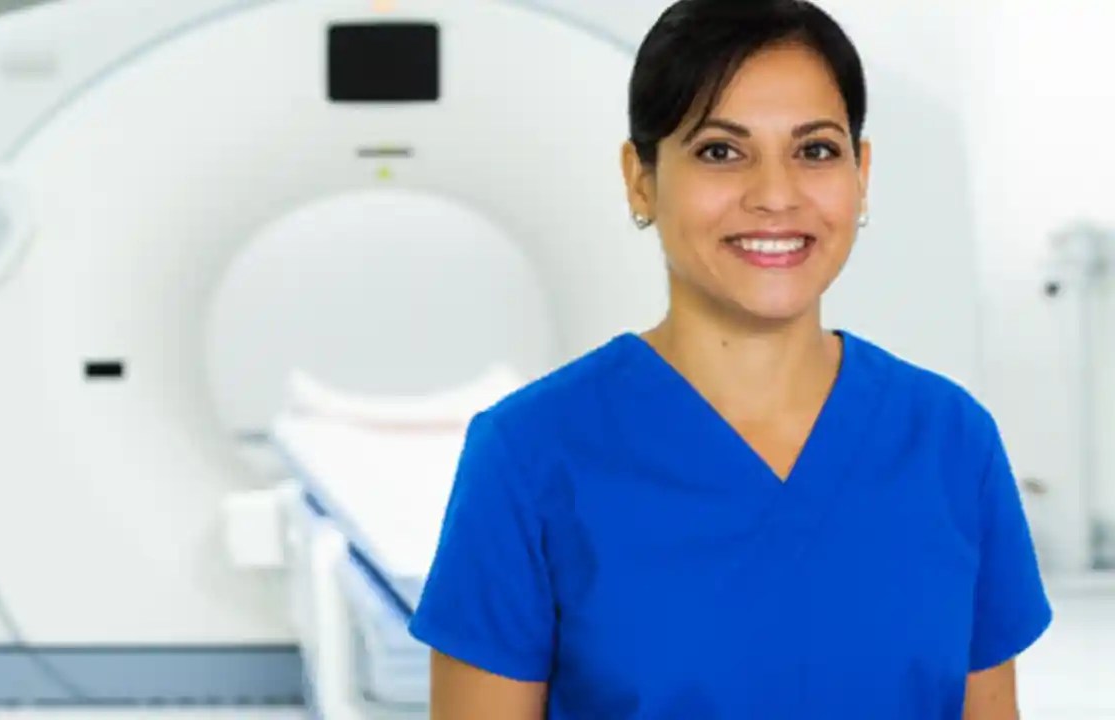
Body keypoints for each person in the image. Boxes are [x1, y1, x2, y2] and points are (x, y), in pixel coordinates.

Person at [406, 0, 1052, 718]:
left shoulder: (951, 442)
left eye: (815, 151)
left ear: (861, 173)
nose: (775, 195)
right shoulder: (528, 456)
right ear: (641, 178)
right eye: (721, 150)